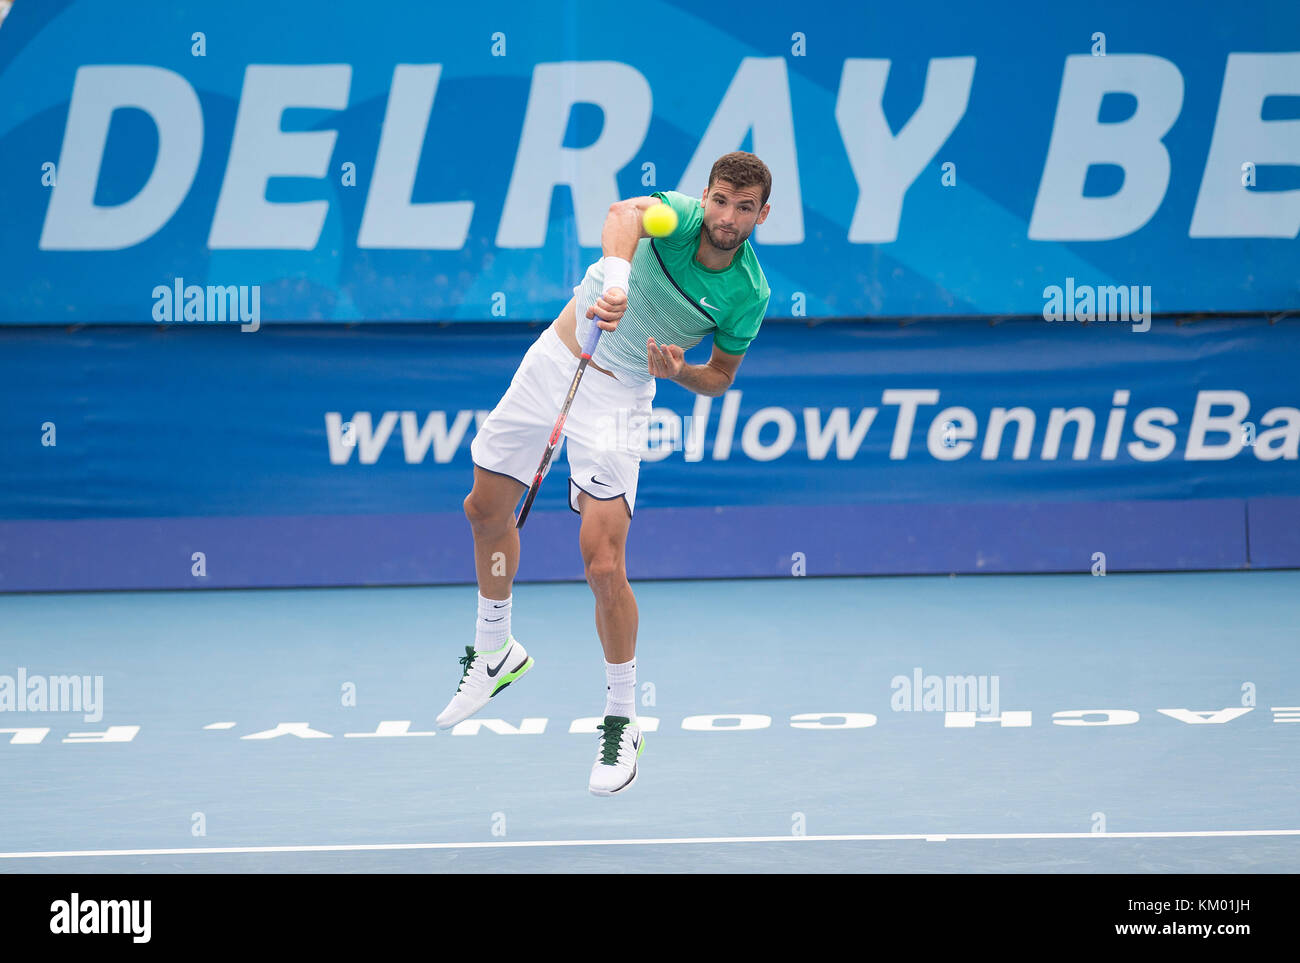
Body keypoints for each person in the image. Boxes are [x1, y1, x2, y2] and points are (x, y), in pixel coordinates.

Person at [437, 151, 772, 796]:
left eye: (744, 207)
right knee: (483, 511)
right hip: (557, 358)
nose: (727, 218)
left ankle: (622, 715)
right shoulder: (675, 217)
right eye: (721, 201)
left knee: (603, 564)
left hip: (620, 399)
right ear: (706, 195)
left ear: (763, 212)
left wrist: (680, 373)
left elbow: (720, 378)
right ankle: (495, 649)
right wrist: (617, 281)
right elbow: (624, 213)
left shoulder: (748, 294)